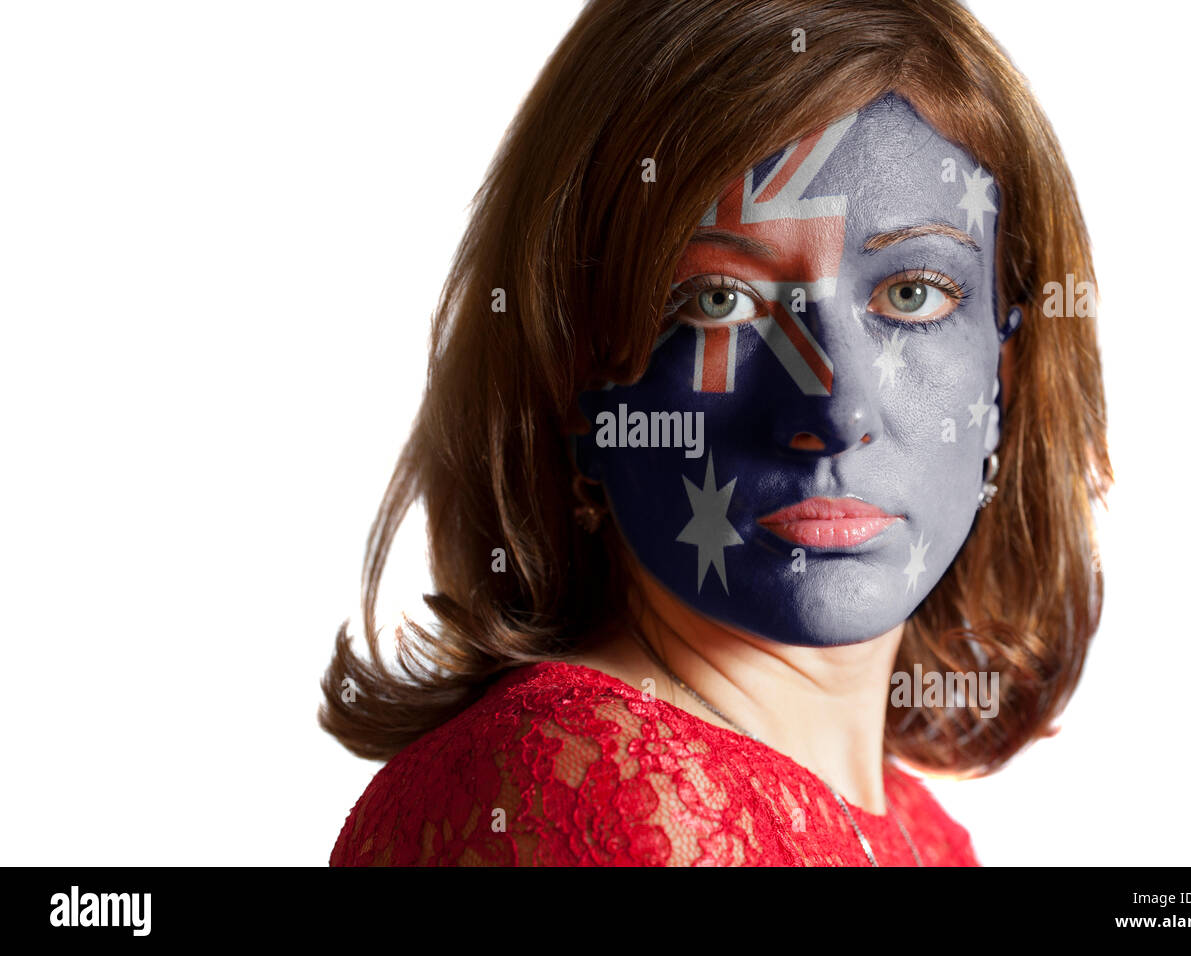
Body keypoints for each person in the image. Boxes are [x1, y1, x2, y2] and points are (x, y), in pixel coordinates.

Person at [320, 0, 1110, 866]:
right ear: (578, 382)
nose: (835, 414)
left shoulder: (931, 839)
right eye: (720, 302)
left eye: (912, 295)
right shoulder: (575, 788)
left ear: (1007, 364)